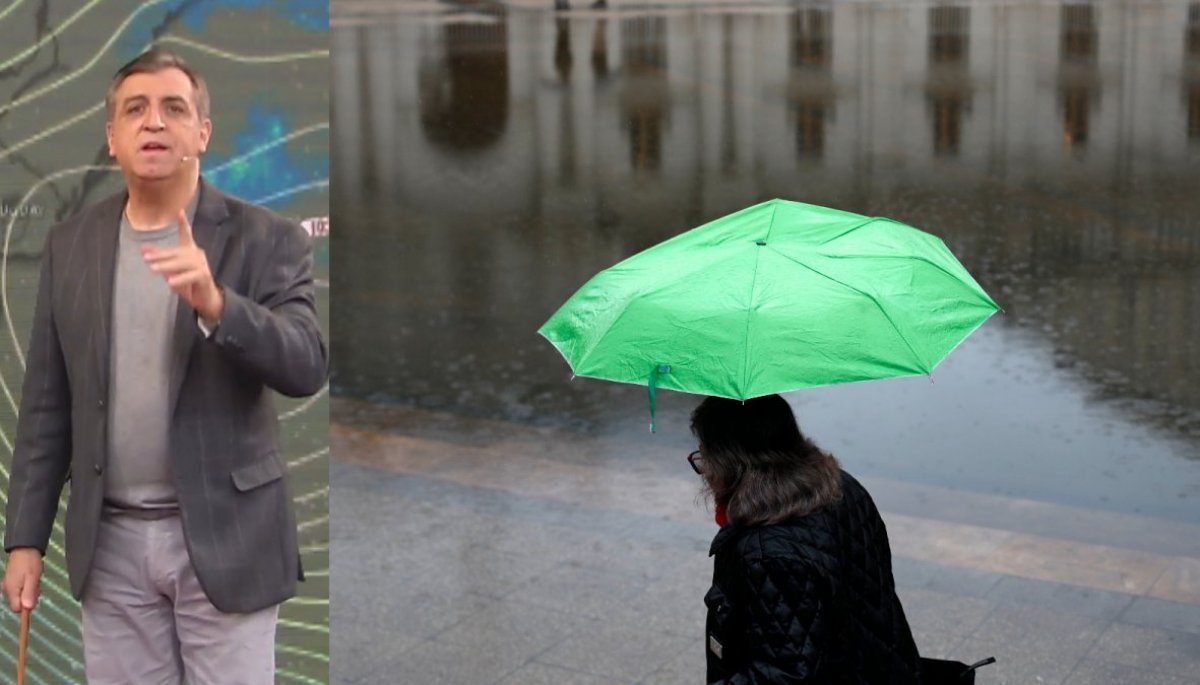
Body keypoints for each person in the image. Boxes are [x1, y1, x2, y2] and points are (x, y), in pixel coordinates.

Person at [1, 47, 327, 684]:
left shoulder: (268, 240)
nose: (154, 122)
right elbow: (47, 403)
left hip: (228, 542)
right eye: (136, 110)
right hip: (111, 546)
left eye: (173, 108)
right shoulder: (71, 245)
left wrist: (218, 305)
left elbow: (306, 364)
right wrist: (25, 540)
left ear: (202, 132)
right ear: (113, 137)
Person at [689, 394, 924, 684]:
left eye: (705, 455)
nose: (706, 472)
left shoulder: (767, 551)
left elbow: (785, 672)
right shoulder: (840, 486)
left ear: (731, 460)